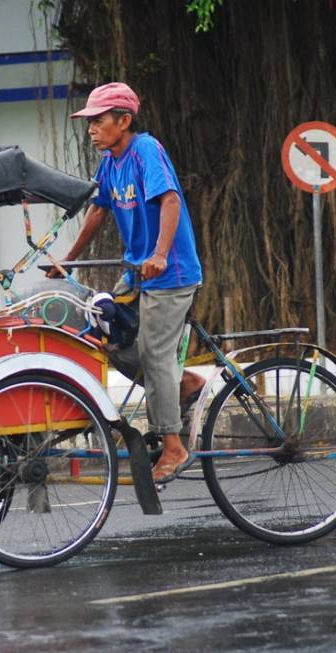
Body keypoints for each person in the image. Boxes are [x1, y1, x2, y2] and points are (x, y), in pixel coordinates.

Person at [50, 82, 204, 483]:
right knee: (106, 335)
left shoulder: (145, 151)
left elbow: (169, 200)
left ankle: (174, 446)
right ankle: (184, 383)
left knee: (154, 356)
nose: (91, 129)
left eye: (98, 120)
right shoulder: (110, 162)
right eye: (89, 122)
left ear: (124, 120)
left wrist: (160, 253)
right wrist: (68, 261)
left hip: (169, 273)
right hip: (138, 273)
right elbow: (98, 212)